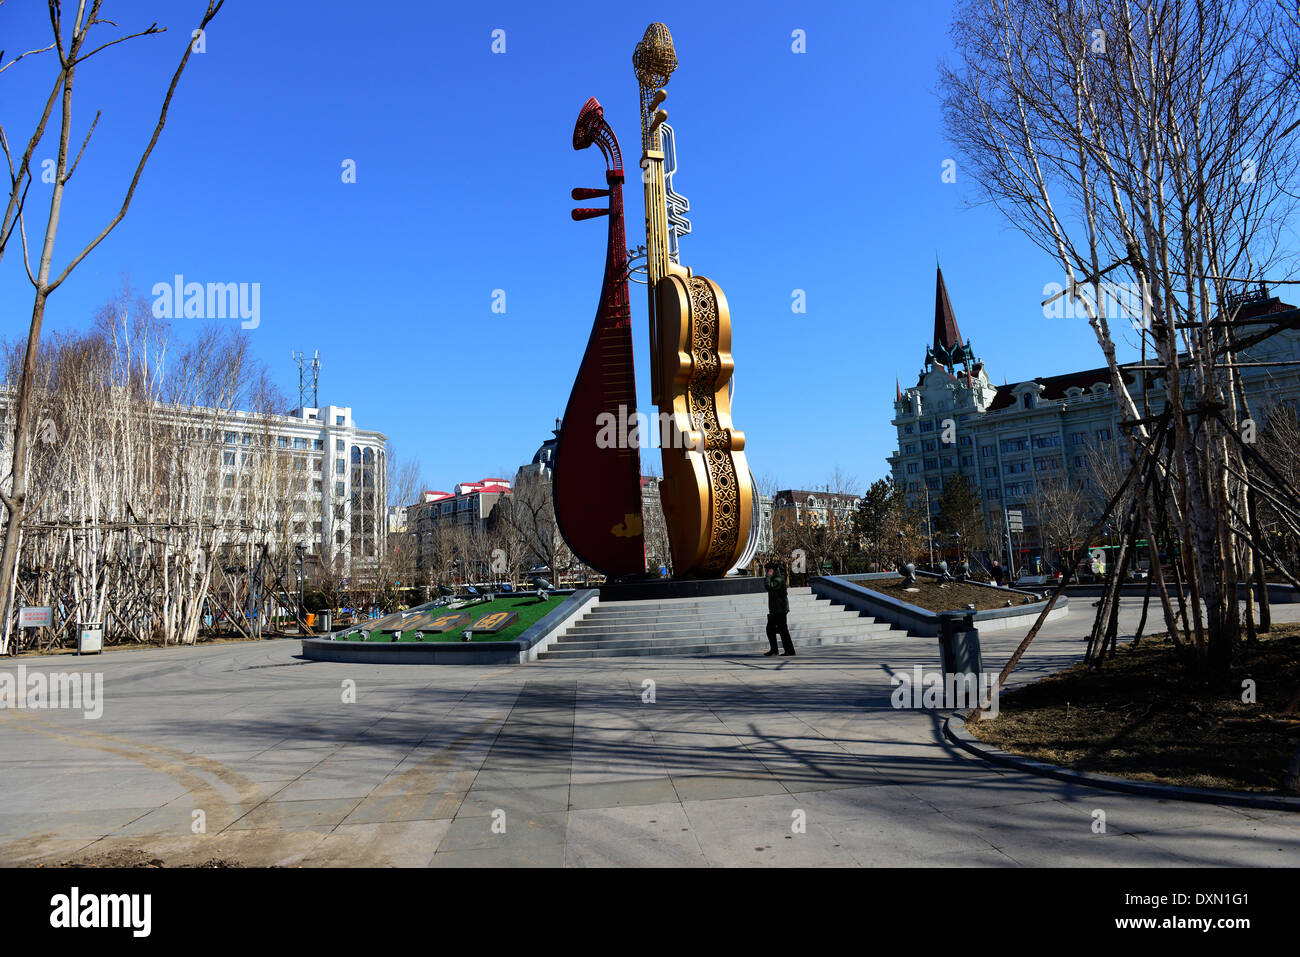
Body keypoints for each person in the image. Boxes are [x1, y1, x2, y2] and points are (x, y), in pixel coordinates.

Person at [762, 561, 795, 657]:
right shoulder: (775, 579)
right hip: (775, 609)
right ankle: (774, 650)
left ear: (771, 570)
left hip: (780, 609)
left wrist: (768, 576)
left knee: (783, 630)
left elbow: (768, 586)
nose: (766, 572)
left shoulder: (778, 580)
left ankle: (789, 650)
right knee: (770, 629)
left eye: (767, 570)